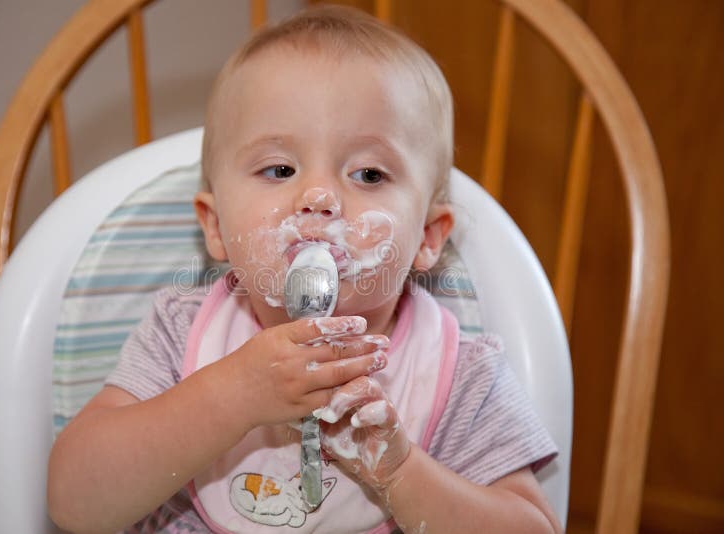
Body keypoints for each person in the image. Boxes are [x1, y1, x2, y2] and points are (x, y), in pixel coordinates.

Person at [48, 5, 561, 533]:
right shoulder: (180, 335)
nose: (319, 196)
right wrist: (231, 397)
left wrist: (400, 473)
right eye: (280, 169)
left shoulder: (462, 378)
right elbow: (74, 501)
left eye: (368, 174)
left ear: (428, 237)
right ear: (216, 226)